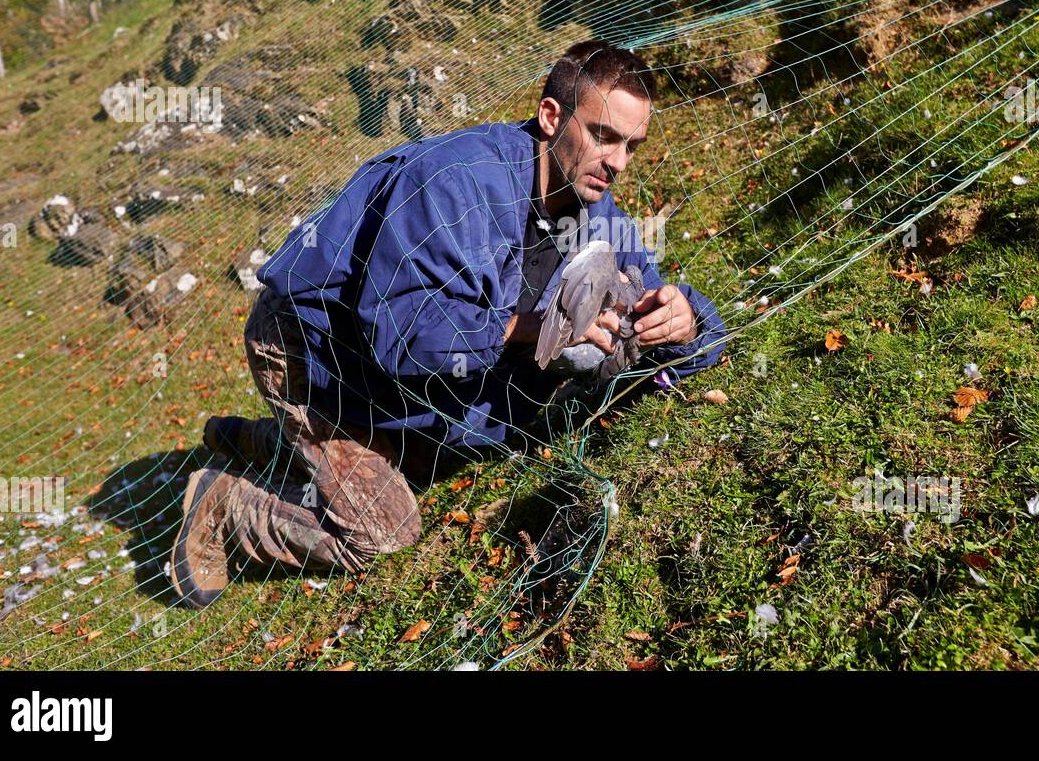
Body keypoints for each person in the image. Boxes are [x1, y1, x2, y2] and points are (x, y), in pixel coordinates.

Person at [169, 40, 727, 608]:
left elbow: (648, 305)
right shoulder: (453, 185)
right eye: (604, 135)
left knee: (438, 457)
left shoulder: (598, 212)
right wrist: (532, 330)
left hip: (402, 390)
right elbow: (404, 334)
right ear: (551, 116)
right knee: (382, 528)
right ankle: (227, 507)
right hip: (315, 354)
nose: (618, 162)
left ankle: (266, 441)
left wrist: (686, 317)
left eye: (633, 145)